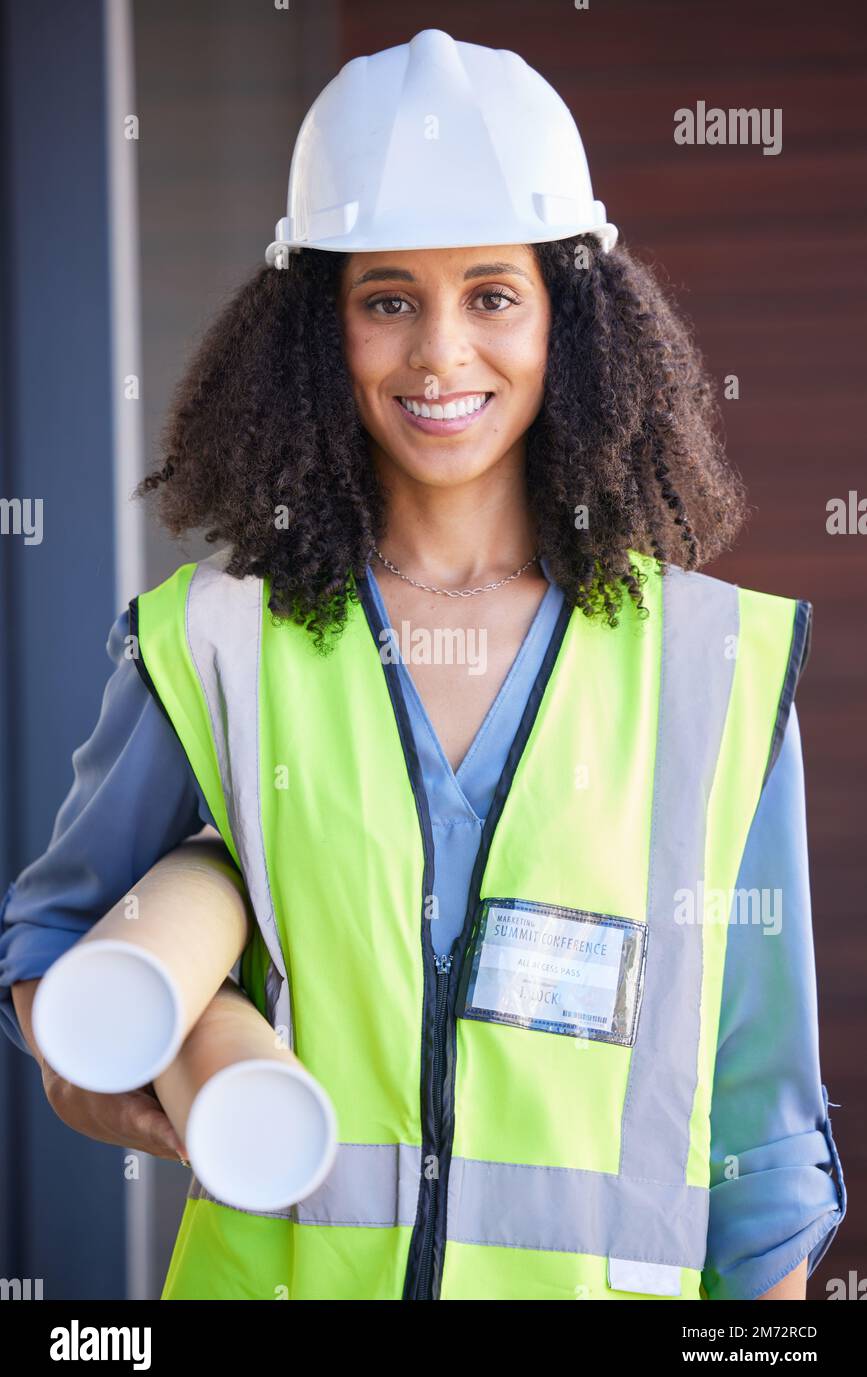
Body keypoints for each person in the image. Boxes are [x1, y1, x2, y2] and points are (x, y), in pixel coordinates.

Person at [1, 29, 846, 1301]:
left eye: (493, 294)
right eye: (387, 298)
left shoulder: (716, 671)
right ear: (316, 333)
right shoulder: (217, 642)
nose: (441, 353)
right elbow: (55, 947)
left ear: (571, 315)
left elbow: (761, 1143)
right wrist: (155, 1095)